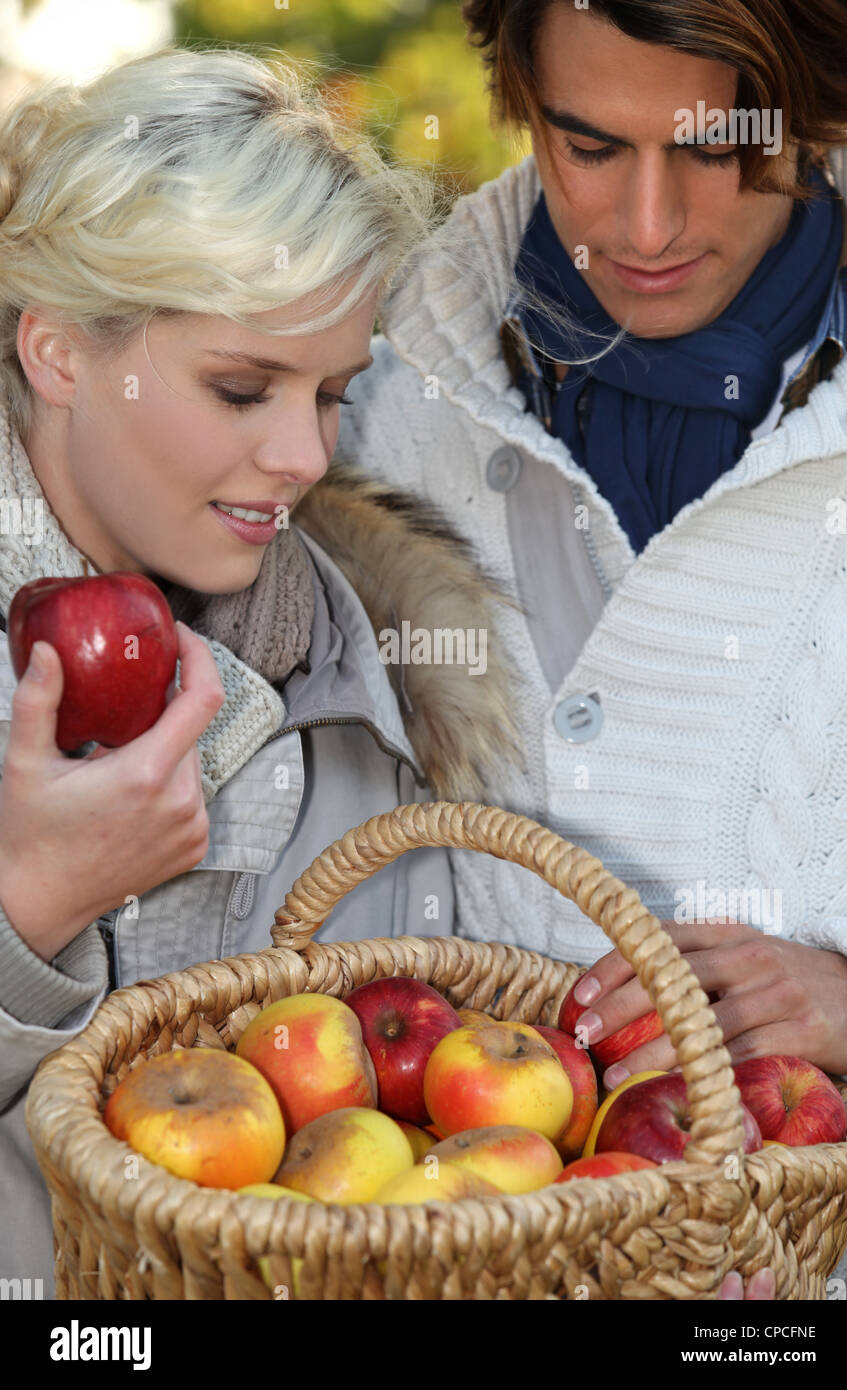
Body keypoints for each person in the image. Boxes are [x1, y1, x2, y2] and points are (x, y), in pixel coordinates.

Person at [334, 0, 847, 1295]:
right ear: (517, 97)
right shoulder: (358, 397)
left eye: (711, 149)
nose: (644, 228)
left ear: (809, 117)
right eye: (586, 145)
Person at [0, 45, 516, 1294]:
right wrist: (28, 908)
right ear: (60, 352)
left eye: (334, 392)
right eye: (241, 388)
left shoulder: (376, 684)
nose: (301, 455)